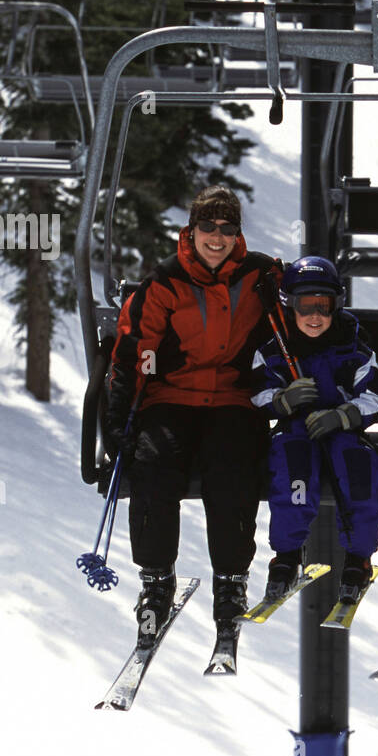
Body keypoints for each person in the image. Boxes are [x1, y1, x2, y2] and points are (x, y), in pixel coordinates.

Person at [104, 184, 279, 649]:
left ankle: (231, 581)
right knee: (154, 464)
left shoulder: (260, 275)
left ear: (237, 233)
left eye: (227, 228)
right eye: (207, 226)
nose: (216, 238)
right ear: (192, 230)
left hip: (233, 398)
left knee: (233, 469)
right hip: (173, 396)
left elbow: (309, 305)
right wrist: (119, 417)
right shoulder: (165, 282)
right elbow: (134, 351)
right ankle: (156, 579)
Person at [251, 256, 378, 603]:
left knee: (358, 470)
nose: (315, 316)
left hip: (343, 429)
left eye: (323, 306)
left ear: (335, 305)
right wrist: (282, 401)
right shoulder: (276, 343)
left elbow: (373, 393)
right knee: (292, 472)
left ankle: (358, 557)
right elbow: (257, 391)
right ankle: (287, 554)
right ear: (289, 305)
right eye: (305, 305)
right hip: (297, 428)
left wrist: (345, 415)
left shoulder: (351, 340)